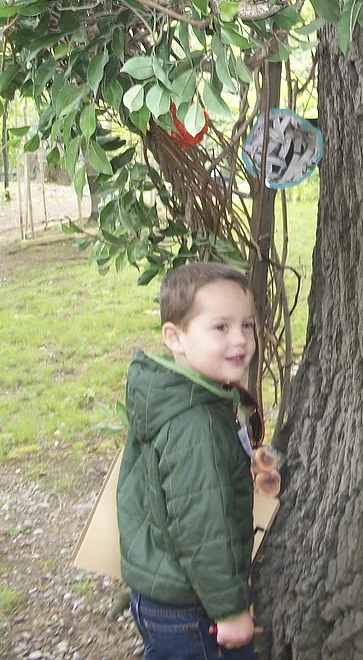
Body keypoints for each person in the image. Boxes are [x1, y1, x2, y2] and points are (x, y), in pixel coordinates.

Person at [116, 261, 258, 659]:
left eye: (246, 325)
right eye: (220, 327)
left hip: (164, 594)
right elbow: (202, 528)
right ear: (175, 337)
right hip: (194, 606)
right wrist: (229, 611)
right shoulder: (195, 425)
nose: (240, 340)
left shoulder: (172, 395)